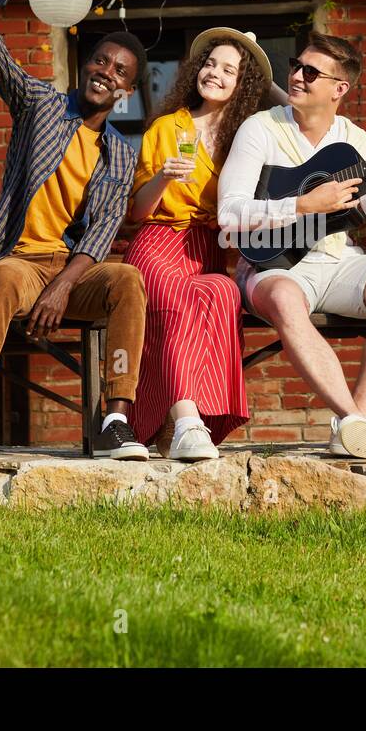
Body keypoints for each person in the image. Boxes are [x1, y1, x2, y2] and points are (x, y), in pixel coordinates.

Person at [0, 0, 149, 462]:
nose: (107, 72)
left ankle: (115, 420)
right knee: (3, 280)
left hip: (73, 270)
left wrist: (63, 286)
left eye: (121, 72)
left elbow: (99, 234)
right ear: (85, 66)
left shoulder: (120, 155)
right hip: (22, 260)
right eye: (101, 61)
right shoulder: (42, 106)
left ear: (127, 91)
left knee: (128, 281)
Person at [217, 32, 366, 463]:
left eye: (310, 72)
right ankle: (355, 420)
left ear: (339, 89)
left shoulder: (358, 142)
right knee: (283, 296)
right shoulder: (260, 128)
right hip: (273, 263)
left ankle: (355, 420)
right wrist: (302, 204)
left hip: (336, 259)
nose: (296, 76)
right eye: (297, 65)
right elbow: (229, 215)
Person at [124, 28, 284, 461]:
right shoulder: (165, 128)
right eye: (210, 64)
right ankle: (187, 419)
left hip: (207, 249)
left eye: (228, 70)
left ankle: (185, 422)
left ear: (242, 84)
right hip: (159, 242)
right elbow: (137, 211)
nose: (214, 73)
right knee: (174, 300)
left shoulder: (244, 139)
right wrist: (163, 178)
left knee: (222, 292)